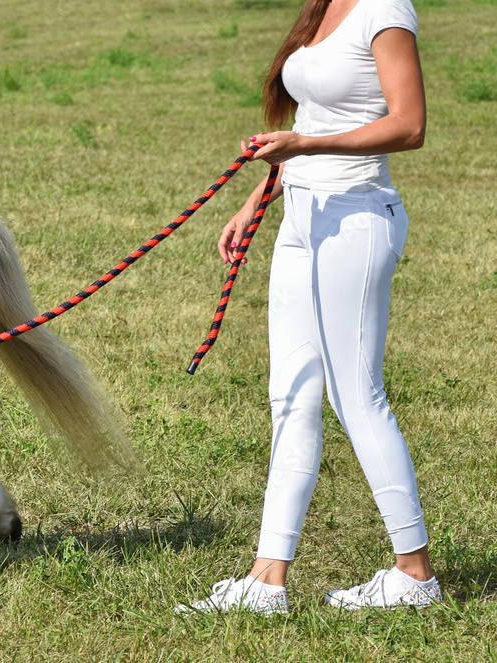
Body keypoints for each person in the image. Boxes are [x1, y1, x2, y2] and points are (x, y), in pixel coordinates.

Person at [176, 0, 441, 613]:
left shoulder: (384, 10)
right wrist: (258, 199)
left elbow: (410, 125)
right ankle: (267, 581)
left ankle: (415, 575)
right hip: (302, 217)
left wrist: (308, 145)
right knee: (291, 395)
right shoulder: (320, 7)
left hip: (355, 219)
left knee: (357, 397)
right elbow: (314, 114)